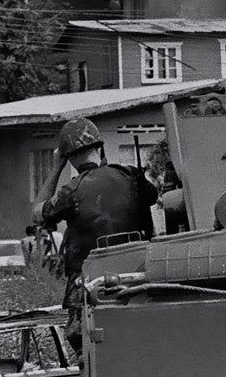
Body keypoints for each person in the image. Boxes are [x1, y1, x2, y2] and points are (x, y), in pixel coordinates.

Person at [37, 117, 158, 338]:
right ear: (99, 147)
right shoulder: (131, 175)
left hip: (90, 285)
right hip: (138, 276)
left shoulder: (70, 191)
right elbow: (153, 196)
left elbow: (38, 214)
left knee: (79, 337)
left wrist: (56, 167)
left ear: (69, 157)